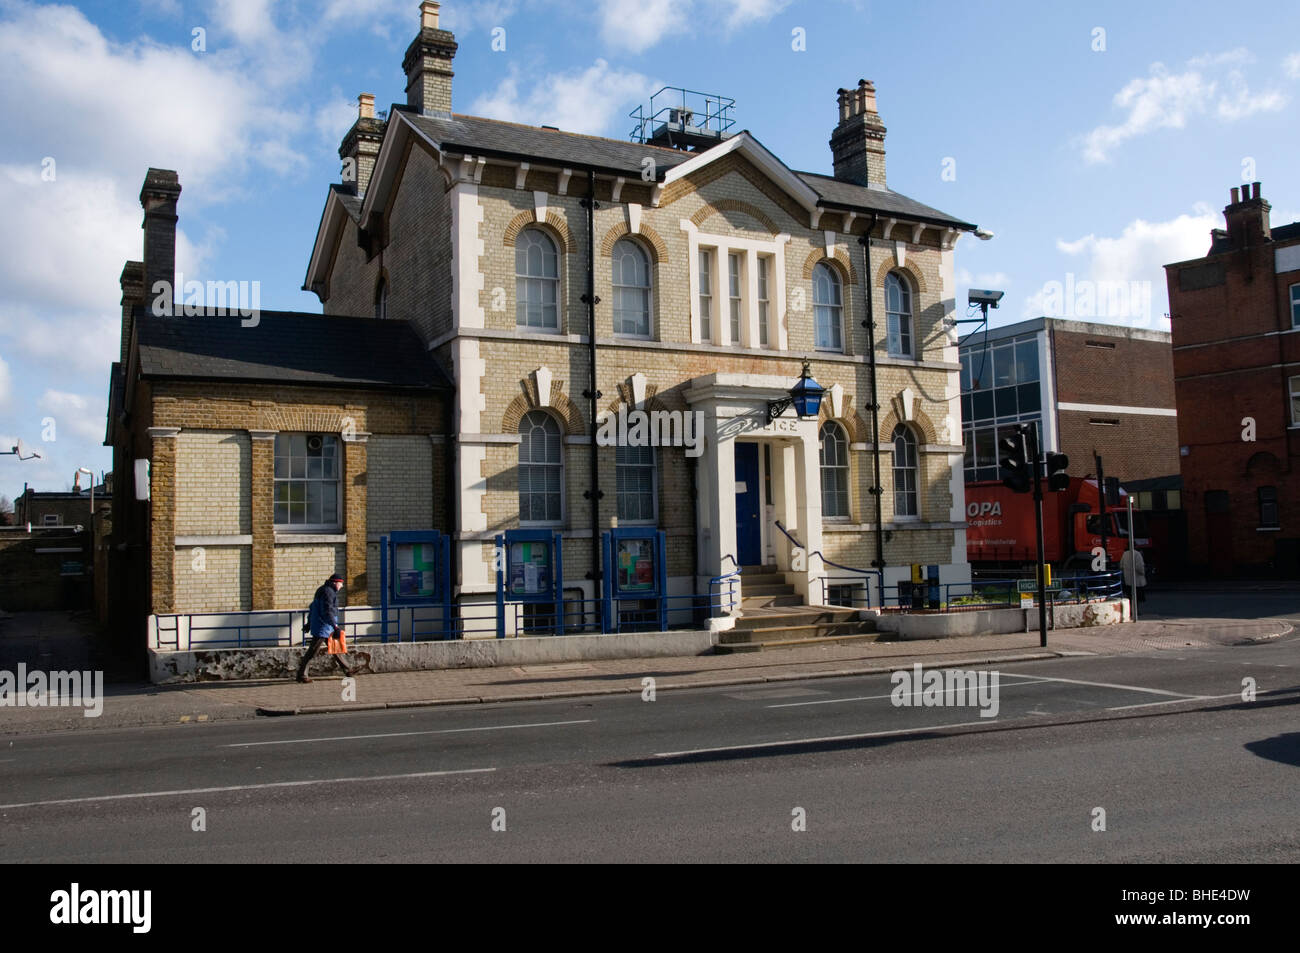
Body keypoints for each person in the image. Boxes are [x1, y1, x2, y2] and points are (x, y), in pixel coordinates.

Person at [296, 573, 356, 682]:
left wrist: (309, 623)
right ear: (335, 583)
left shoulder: (323, 590)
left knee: (335, 649)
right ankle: (302, 675)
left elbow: (313, 608)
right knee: (313, 651)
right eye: (341, 584)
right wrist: (335, 626)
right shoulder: (328, 592)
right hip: (323, 626)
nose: (342, 586)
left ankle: (348, 670)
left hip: (324, 625)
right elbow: (327, 611)